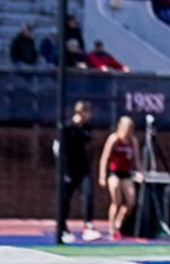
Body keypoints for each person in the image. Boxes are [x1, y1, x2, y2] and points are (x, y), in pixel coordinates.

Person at [57, 100, 101, 242]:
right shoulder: (67, 128)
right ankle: (62, 229)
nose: (90, 115)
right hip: (69, 169)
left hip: (83, 168)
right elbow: (60, 150)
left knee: (88, 193)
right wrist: (64, 170)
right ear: (81, 113)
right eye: (87, 112)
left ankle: (88, 226)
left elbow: (88, 145)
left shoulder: (86, 128)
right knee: (65, 199)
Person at [100, 115, 139, 240]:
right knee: (116, 201)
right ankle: (111, 228)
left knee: (131, 201)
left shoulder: (133, 141)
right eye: (125, 128)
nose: (127, 131)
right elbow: (105, 157)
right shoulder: (114, 139)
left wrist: (139, 172)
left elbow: (136, 159)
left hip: (126, 173)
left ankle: (119, 221)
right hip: (114, 172)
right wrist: (102, 175)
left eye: (129, 128)